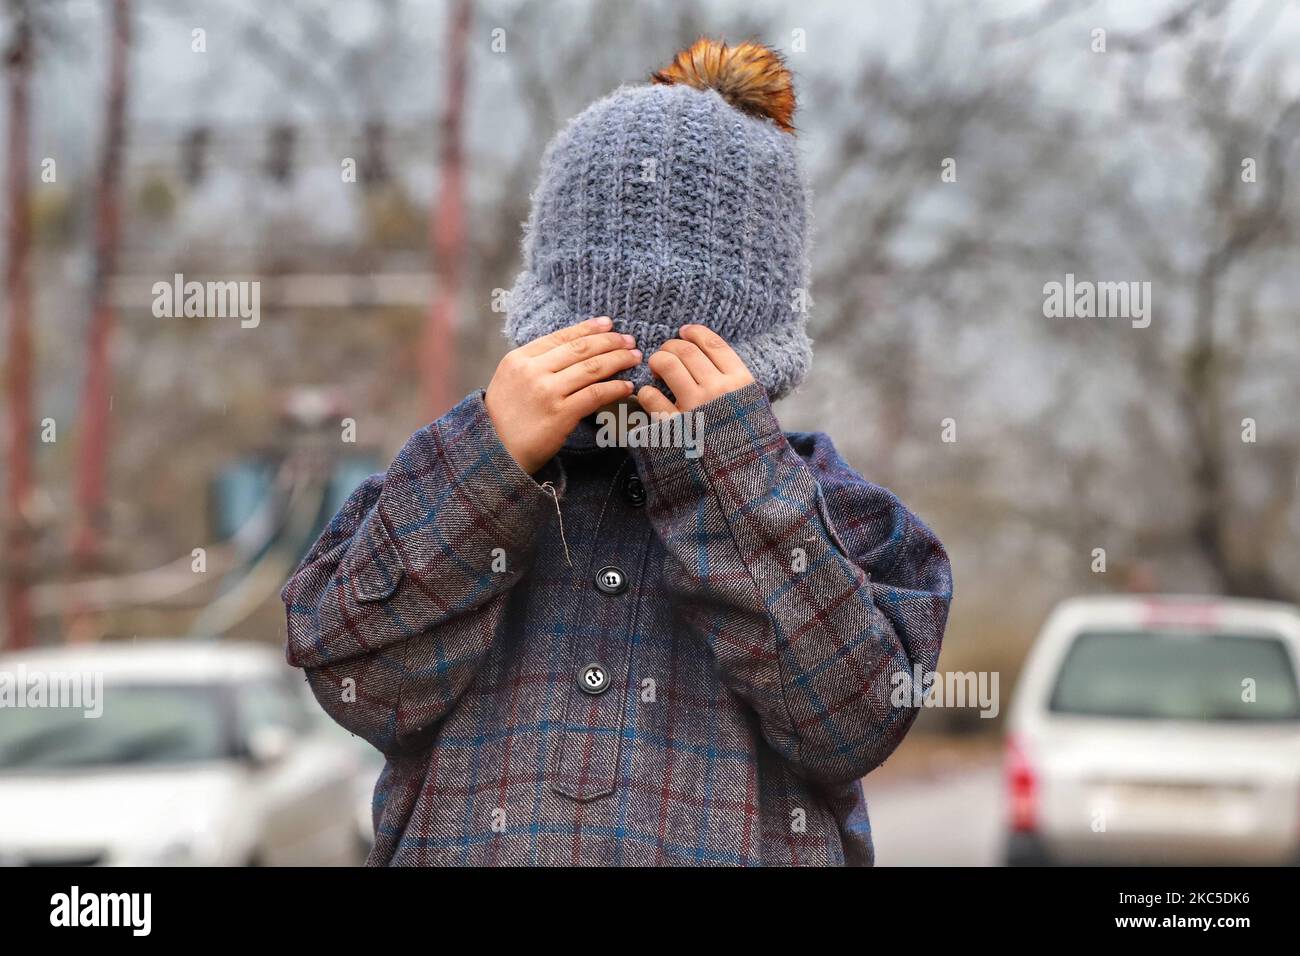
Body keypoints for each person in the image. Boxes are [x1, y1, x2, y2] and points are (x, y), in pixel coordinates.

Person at [283, 37, 952, 866]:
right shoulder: (461, 472)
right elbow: (359, 680)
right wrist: (488, 464)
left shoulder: (839, 517)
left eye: (681, 361)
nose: (630, 388)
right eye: (592, 349)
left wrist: (736, 470)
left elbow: (849, 724)